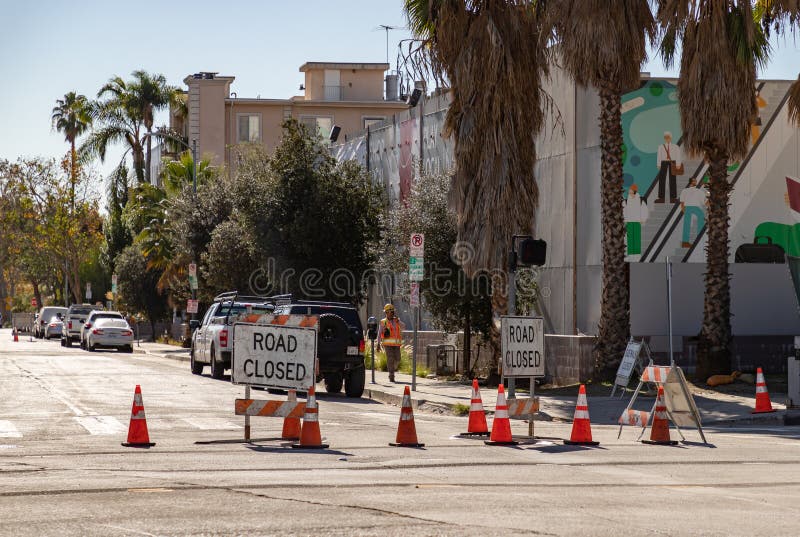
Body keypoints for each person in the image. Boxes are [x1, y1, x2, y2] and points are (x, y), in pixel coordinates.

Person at [377, 303, 404, 382]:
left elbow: (403, 327)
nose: (392, 313)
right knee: (390, 359)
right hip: (387, 344)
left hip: (396, 344)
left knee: (398, 359)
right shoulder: (383, 322)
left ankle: (392, 369)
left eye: (393, 312)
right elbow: (379, 333)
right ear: (386, 312)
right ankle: (391, 375)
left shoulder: (396, 320)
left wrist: (399, 321)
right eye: (391, 312)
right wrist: (378, 344)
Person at [623, 184, 649, 262]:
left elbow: (644, 210)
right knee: (630, 239)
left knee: (637, 238)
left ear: (634, 191)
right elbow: (624, 210)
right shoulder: (626, 201)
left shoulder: (640, 200)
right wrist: (624, 219)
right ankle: (630, 255)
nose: (629, 192)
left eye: (631, 191)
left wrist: (643, 219)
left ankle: (637, 256)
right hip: (629, 222)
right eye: (629, 191)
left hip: (637, 222)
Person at [679, 177, 708, 247]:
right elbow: (682, 202)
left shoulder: (698, 191)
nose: (695, 182)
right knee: (693, 222)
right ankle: (688, 242)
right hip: (691, 208)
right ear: (691, 182)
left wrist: (684, 210)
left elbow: (705, 202)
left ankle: (693, 240)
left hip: (691, 208)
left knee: (691, 223)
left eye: (695, 181)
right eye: (694, 181)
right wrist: (683, 209)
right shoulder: (687, 191)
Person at [655, 131, 682, 203]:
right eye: (665, 137)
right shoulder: (661, 147)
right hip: (663, 162)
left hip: (672, 162)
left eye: (668, 137)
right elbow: (659, 156)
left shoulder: (675, 146)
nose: (667, 139)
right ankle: (661, 198)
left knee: (673, 179)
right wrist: (658, 164)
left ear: (671, 138)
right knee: (662, 179)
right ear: (664, 138)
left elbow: (678, 155)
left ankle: (673, 197)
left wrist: (678, 164)